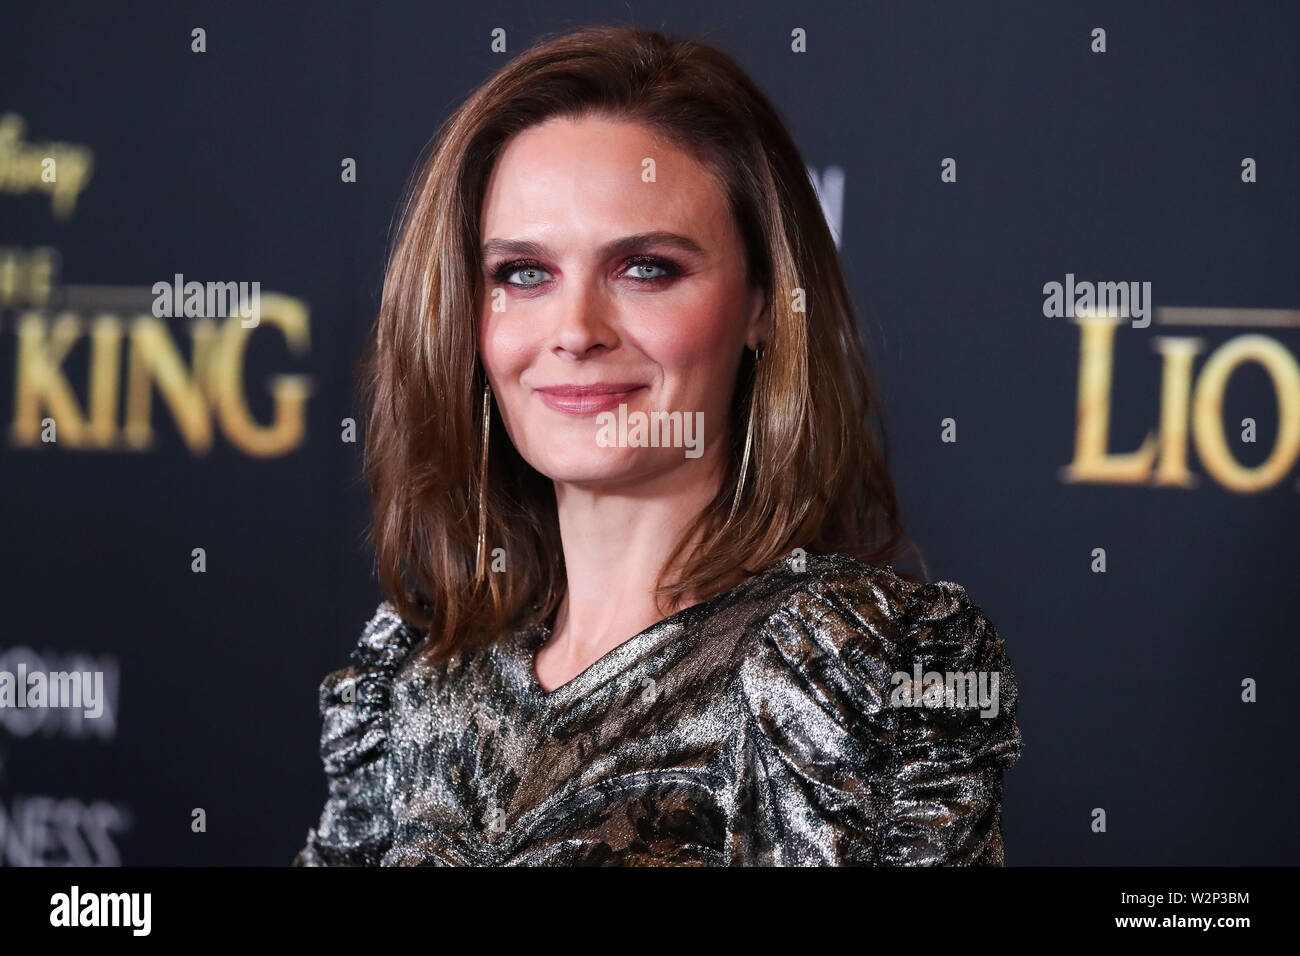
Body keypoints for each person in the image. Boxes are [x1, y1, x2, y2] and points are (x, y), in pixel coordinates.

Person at [293, 24, 1021, 866]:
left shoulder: (848, 675)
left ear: (761, 303)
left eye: (645, 268)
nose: (575, 331)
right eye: (523, 273)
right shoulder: (415, 685)